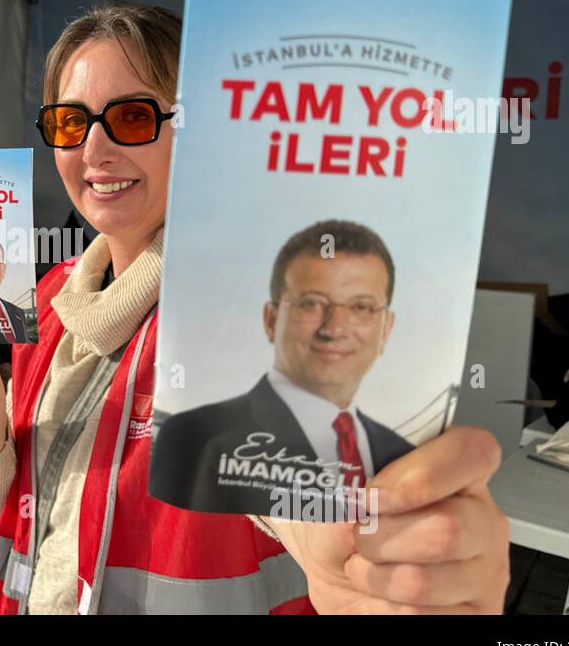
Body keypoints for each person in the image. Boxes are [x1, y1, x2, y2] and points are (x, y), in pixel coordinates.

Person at [0, 1, 509, 614]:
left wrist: (368, 557)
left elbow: (306, 487)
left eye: (131, 116)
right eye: (71, 123)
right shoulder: (47, 298)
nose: (94, 148)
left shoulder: (242, 316)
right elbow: (12, 520)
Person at [151, 219, 415, 513]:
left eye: (361, 308)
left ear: (386, 329)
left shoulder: (404, 455)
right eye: (311, 304)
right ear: (271, 320)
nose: (335, 328)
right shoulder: (197, 437)